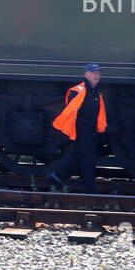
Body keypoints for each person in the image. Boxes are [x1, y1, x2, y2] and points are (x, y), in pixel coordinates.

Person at [46, 64, 107, 193]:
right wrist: (69, 132)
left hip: (91, 132)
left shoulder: (96, 93)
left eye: (99, 73)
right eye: (94, 72)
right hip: (81, 131)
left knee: (77, 157)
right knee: (88, 160)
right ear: (85, 74)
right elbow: (70, 113)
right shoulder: (78, 91)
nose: (97, 75)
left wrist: (100, 131)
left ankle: (56, 177)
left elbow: (99, 114)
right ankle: (90, 190)